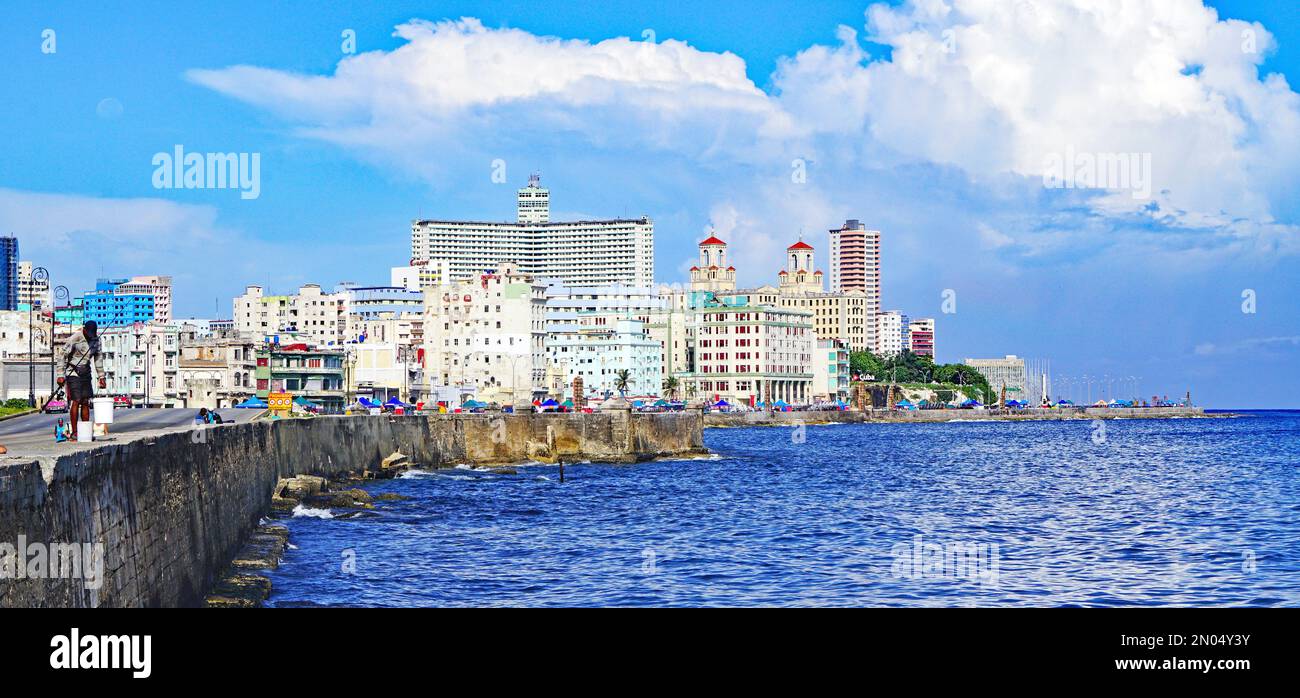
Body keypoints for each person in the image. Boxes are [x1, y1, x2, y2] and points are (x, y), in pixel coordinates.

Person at [57, 320, 106, 442]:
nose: (90, 336)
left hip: (86, 372)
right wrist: (60, 374)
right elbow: (62, 355)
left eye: (92, 334)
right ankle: (75, 432)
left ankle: (86, 431)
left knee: (85, 401)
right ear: (84, 330)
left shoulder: (96, 340)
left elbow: (98, 358)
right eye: (88, 333)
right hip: (73, 372)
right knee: (76, 400)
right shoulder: (75, 338)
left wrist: (101, 377)